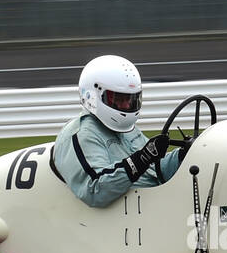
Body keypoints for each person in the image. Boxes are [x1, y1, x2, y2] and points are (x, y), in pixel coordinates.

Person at [53, 55, 184, 207]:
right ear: (93, 96)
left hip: (149, 206)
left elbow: (154, 171)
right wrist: (141, 159)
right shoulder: (82, 134)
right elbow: (95, 190)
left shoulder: (126, 129)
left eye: (130, 99)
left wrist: (182, 156)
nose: (127, 105)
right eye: (119, 99)